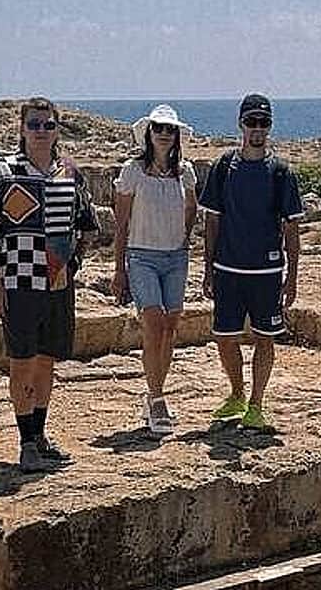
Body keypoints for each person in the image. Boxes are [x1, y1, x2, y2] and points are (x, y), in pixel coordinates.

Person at [0, 98, 98, 473]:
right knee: (22, 361)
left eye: (48, 124)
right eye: (34, 124)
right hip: (19, 281)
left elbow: (87, 224)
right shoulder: (3, 172)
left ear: (57, 129)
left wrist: (73, 264)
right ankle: (26, 442)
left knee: (46, 360)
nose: (41, 131)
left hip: (58, 285)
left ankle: (40, 435)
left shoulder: (69, 173)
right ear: (22, 129)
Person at [199, 93, 303, 431]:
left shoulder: (281, 172)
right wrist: (207, 268)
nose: (257, 128)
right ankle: (237, 393)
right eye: (251, 121)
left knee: (265, 337)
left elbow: (291, 228)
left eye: (263, 122)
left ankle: (256, 404)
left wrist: (292, 277)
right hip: (228, 268)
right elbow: (212, 220)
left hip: (267, 271)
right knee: (224, 337)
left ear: (270, 126)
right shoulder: (223, 167)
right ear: (241, 124)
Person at [111, 104, 198, 436]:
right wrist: (119, 270)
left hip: (175, 258)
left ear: (176, 135)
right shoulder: (132, 171)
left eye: (169, 129)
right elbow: (121, 224)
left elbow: (191, 207)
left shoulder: (185, 172)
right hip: (142, 256)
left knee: (170, 328)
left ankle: (154, 394)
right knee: (154, 323)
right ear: (148, 133)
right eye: (158, 127)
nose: (164, 133)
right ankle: (158, 398)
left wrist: (184, 237)